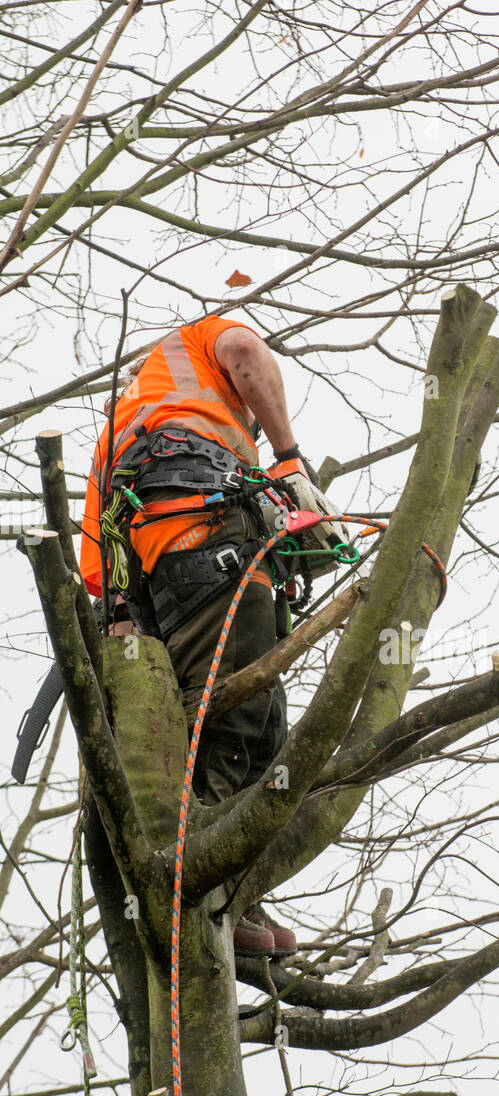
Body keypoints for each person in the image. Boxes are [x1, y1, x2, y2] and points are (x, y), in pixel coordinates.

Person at [79, 315, 321, 957]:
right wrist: (288, 457)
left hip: (169, 579)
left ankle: (234, 892)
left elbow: (103, 580)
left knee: (254, 725)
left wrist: (138, 666)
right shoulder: (199, 344)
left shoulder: (116, 443)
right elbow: (245, 350)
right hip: (212, 539)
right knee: (238, 720)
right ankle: (208, 888)